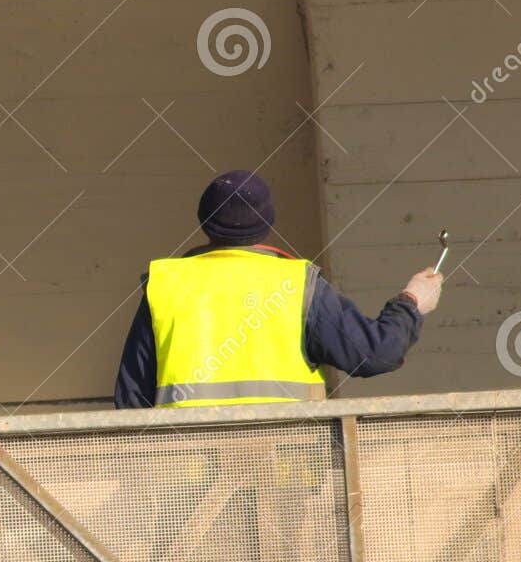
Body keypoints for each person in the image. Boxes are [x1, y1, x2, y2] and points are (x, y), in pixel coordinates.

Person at [114, 170, 443, 409]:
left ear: (205, 221)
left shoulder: (166, 286)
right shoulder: (298, 285)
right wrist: (412, 302)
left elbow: (131, 399)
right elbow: (375, 354)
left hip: (187, 477)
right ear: (267, 222)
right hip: (286, 475)